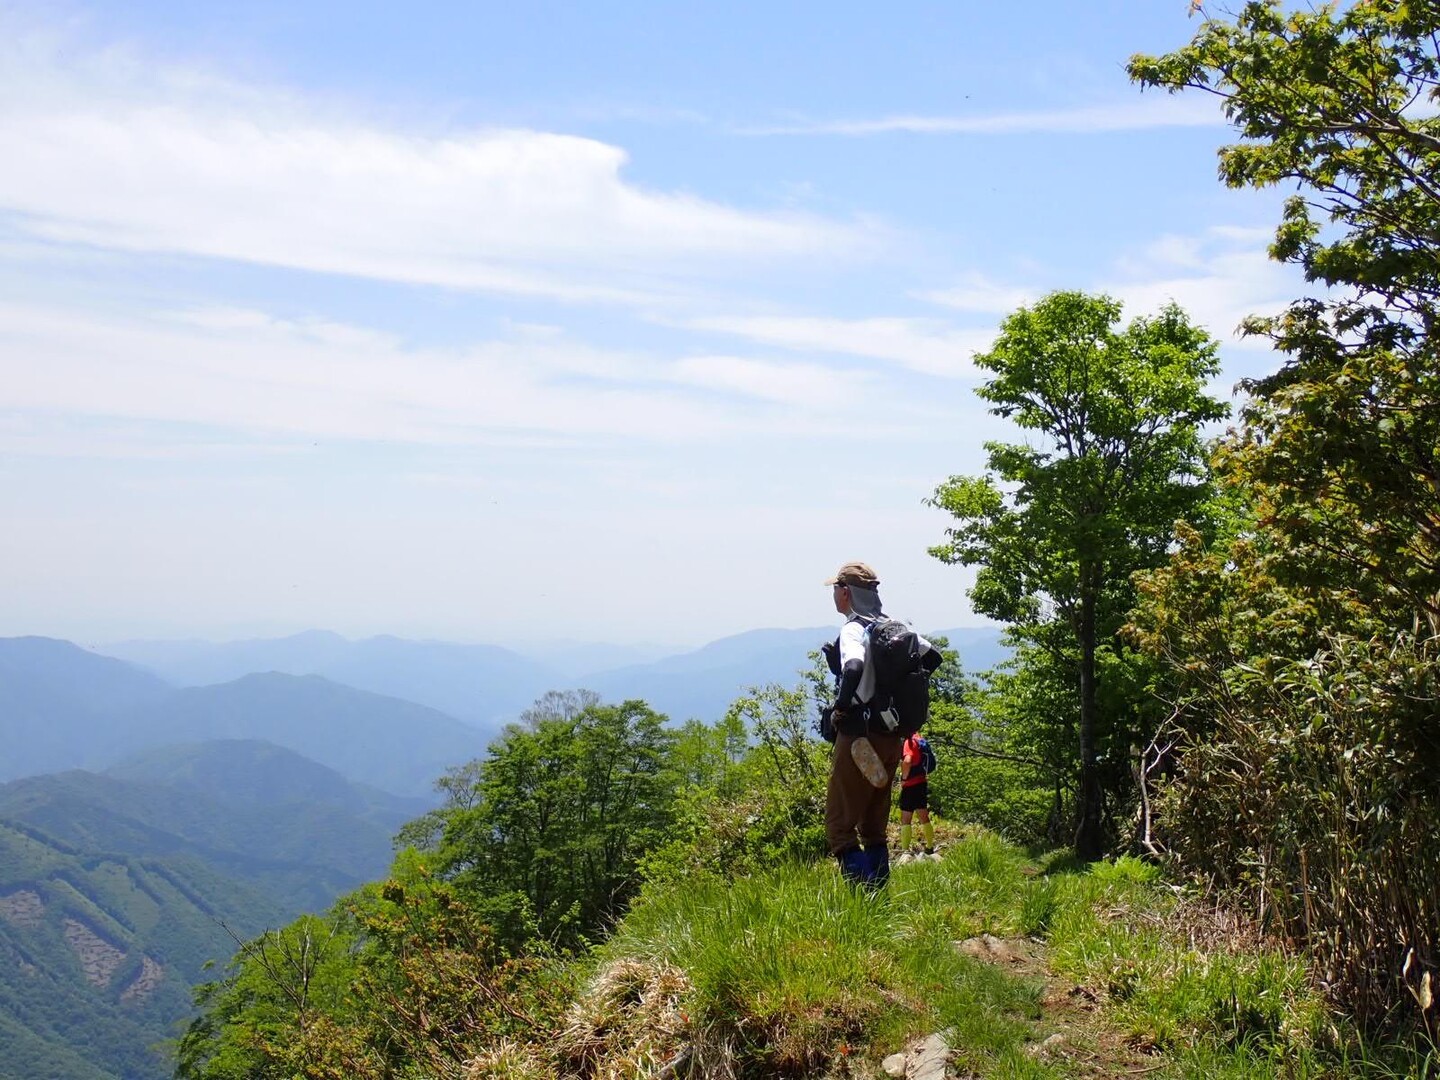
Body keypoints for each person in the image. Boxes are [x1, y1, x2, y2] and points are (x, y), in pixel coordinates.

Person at [820, 560, 904, 888]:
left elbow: (854, 667)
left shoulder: (854, 629)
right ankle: (880, 894)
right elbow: (931, 659)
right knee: (874, 825)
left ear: (845, 593)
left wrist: (840, 709)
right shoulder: (895, 627)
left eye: (836, 590)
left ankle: (865, 898)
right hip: (890, 737)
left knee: (840, 828)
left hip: (859, 738)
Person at [898, 732, 936, 859]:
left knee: (905, 818)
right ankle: (930, 847)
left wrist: (903, 778)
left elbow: (908, 761)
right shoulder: (919, 738)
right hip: (921, 782)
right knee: (924, 817)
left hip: (910, 785)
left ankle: (905, 851)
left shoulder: (909, 741)